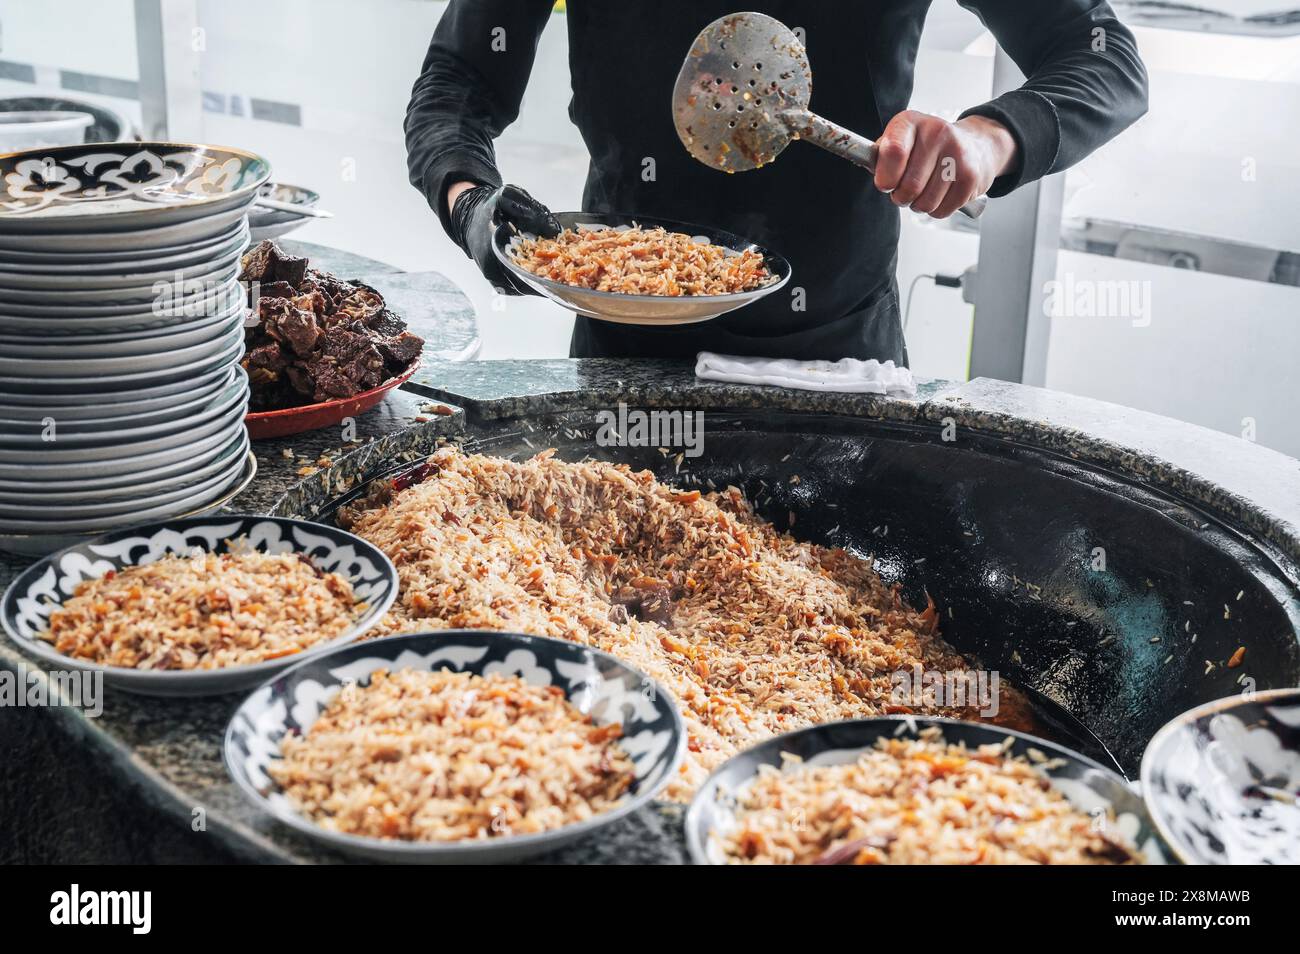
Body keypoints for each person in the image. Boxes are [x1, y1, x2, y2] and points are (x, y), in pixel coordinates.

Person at [406, 2, 1147, 363]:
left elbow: (1104, 57)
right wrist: (471, 204)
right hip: (626, 349)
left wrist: (989, 139)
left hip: (836, 356)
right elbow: (458, 79)